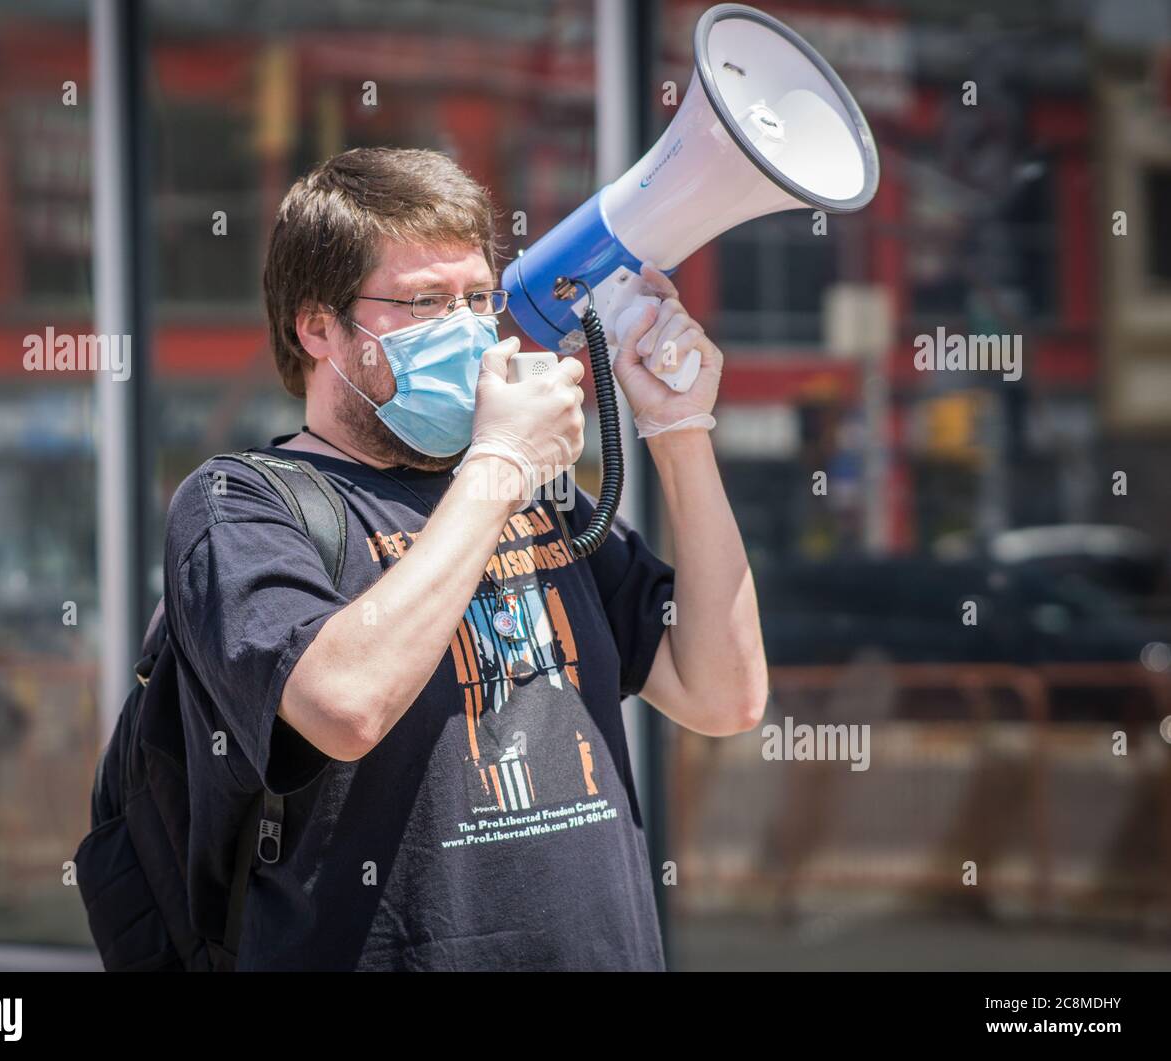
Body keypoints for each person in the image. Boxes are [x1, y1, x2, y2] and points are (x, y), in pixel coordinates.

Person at [162, 146, 768, 971]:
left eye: (478, 297)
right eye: (423, 303)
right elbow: (343, 704)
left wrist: (680, 432)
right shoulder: (242, 503)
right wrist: (500, 465)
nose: (467, 327)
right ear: (317, 327)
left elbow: (724, 694)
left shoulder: (532, 493)